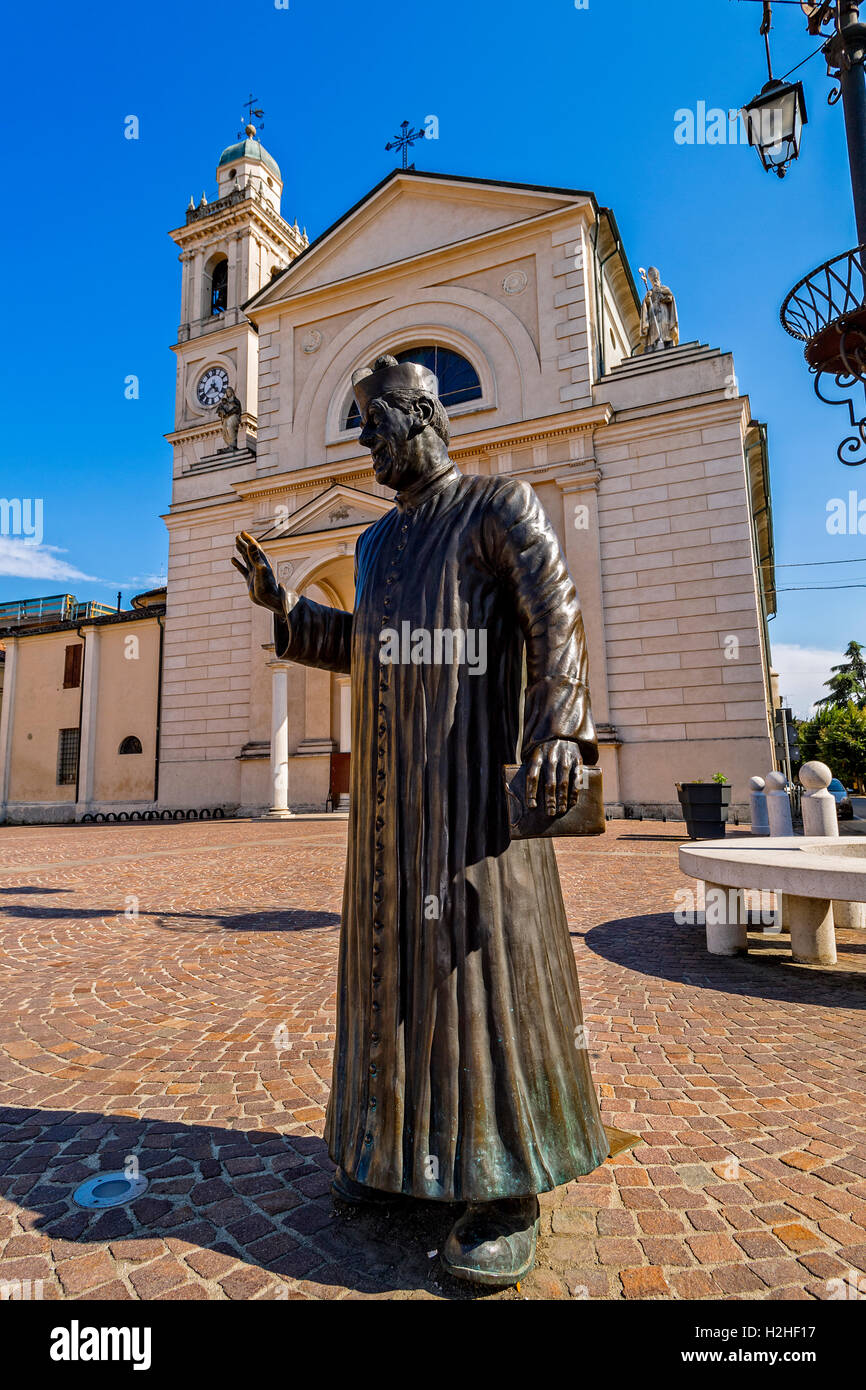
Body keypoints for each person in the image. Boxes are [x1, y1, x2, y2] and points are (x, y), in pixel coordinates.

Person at [232, 353, 612, 1286]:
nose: (361, 441)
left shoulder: (498, 507)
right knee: (391, 980)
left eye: (371, 423)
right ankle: (401, 1155)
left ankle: (504, 1184)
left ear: (420, 415)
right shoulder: (373, 546)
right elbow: (365, 647)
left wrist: (560, 733)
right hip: (391, 813)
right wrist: (288, 611)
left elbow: (555, 621)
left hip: (475, 797)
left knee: (480, 979)